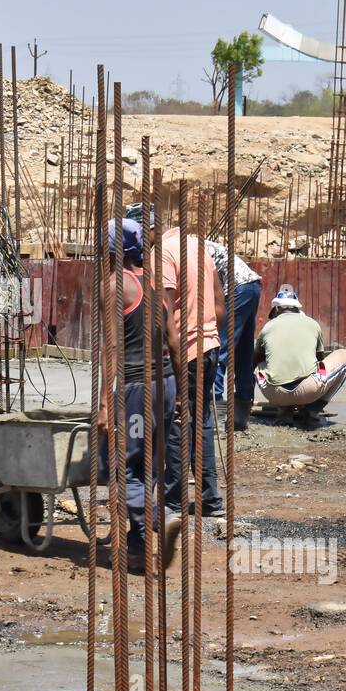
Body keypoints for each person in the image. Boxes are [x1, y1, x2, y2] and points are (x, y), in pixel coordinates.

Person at [97, 219, 180, 574]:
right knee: (151, 464)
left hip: (136, 388)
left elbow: (111, 347)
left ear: (114, 249)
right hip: (166, 383)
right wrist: (184, 394)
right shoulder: (155, 287)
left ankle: (148, 538)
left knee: (124, 465)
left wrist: (103, 403)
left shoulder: (115, 286)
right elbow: (175, 341)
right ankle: (139, 537)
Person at [158, 220, 226, 535]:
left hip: (184, 350)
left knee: (176, 421)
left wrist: (166, 351)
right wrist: (209, 333)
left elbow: (165, 309)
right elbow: (220, 304)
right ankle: (210, 499)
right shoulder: (199, 246)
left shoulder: (164, 252)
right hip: (210, 345)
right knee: (203, 423)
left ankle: (172, 502)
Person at [253, 288, 346, 428]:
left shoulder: (267, 327)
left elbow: (254, 360)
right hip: (308, 391)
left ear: (277, 309)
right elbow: (319, 359)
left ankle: (284, 411)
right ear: (297, 307)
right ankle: (312, 409)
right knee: (345, 356)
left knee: (261, 363)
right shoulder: (312, 324)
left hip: (275, 394)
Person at [206, 239, 263, 430]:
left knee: (219, 346)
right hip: (252, 285)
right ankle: (241, 412)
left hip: (237, 288)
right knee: (244, 350)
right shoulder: (194, 244)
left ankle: (216, 409)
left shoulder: (185, 249)